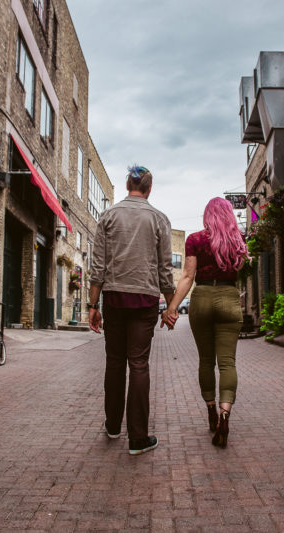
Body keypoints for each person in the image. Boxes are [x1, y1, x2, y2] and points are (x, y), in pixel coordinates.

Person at [88, 165, 175, 455]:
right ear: (149, 189)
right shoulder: (159, 219)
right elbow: (165, 270)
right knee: (139, 364)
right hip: (145, 299)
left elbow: (98, 266)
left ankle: (113, 426)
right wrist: (170, 306)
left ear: (128, 185)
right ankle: (137, 438)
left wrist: (92, 305)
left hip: (113, 297)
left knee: (114, 362)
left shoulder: (108, 216)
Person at [161, 197, 247, 448]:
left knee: (206, 361)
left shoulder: (195, 240)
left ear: (207, 216)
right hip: (229, 298)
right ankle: (224, 413)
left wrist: (171, 308)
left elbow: (188, 276)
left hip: (202, 299)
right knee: (227, 363)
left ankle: (210, 410)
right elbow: (239, 268)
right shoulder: (237, 239)